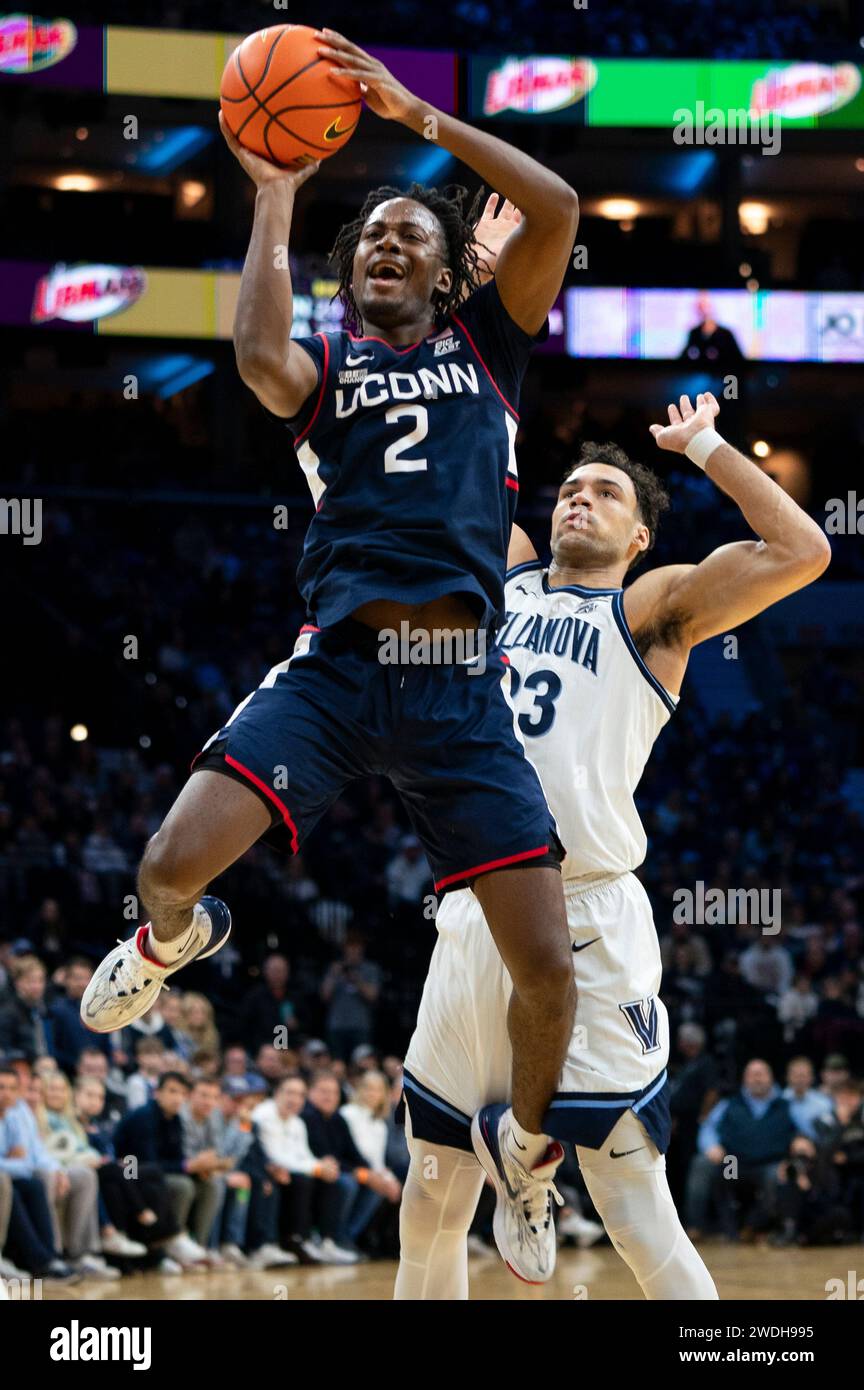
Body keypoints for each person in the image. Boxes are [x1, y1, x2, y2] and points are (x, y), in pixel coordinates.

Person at [80, 30, 580, 1276]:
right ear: (347, 277)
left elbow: (556, 203)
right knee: (163, 865)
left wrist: (418, 116)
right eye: (368, 241)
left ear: (446, 268)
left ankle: (525, 1152)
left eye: (410, 233)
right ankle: (168, 946)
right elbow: (256, 354)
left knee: (548, 972)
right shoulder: (329, 372)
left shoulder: (492, 347)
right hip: (339, 673)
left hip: (459, 692)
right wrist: (275, 193)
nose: (389, 245)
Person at [398, 376, 830, 1294]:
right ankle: (518, 1166)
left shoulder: (650, 609)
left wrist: (707, 449)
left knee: (632, 1196)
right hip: (474, 906)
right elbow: (439, 465)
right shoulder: (503, 575)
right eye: (571, 488)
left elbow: (803, 550)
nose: (579, 498)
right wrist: (461, 321)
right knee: (431, 1196)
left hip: (584, 909)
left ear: (640, 538)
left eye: (606, 493)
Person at [321, 938, 381, 1062]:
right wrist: (333, 975)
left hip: (360, 1025)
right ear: (344, 949)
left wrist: (357, 980)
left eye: (356, 947)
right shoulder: (335, 968)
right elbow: (324, 996)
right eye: (350, 947)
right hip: (336, 1025)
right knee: (337, 1062)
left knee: (363, 1063)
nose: (353, 951)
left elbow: (373, 996)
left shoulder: (370, 968)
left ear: (362, 948)